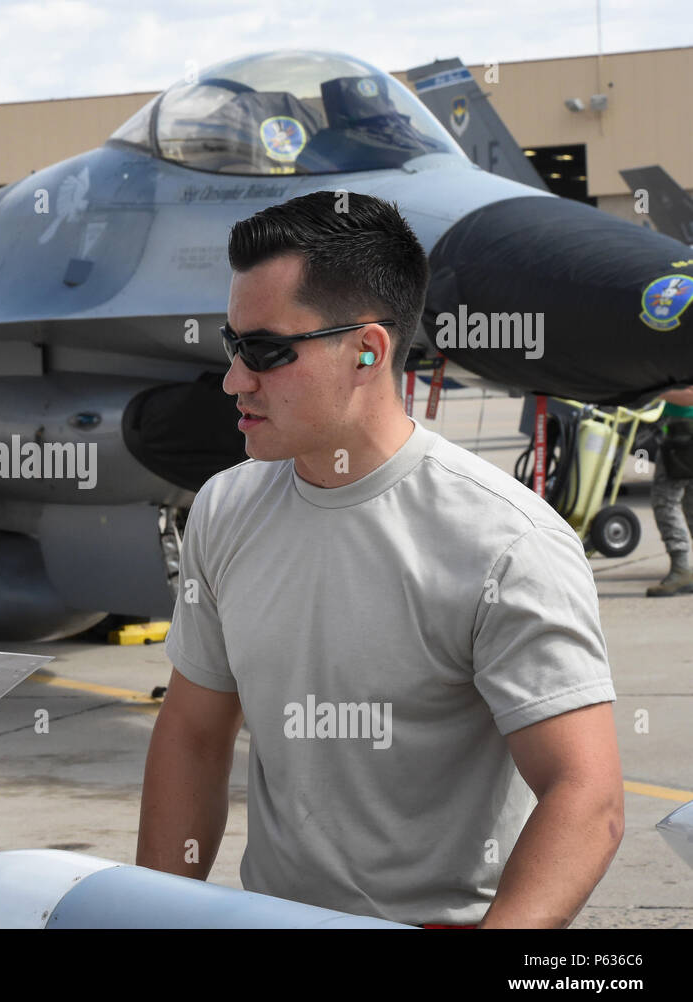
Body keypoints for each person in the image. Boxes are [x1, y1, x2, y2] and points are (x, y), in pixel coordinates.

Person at [136, 192, 624, 928]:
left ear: (368, 350)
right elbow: (195, 735)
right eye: (231, 345)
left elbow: (587, 795)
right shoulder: (224, 508)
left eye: (266, 351)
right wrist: (155, 918)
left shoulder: (506, 541)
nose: (235, 379)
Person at [646, 385, 693, 596]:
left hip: (684, 432)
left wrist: (651, 392)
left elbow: (689, 396)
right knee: (690, 501)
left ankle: (681, 568)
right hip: (681, 430)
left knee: (665, 500)